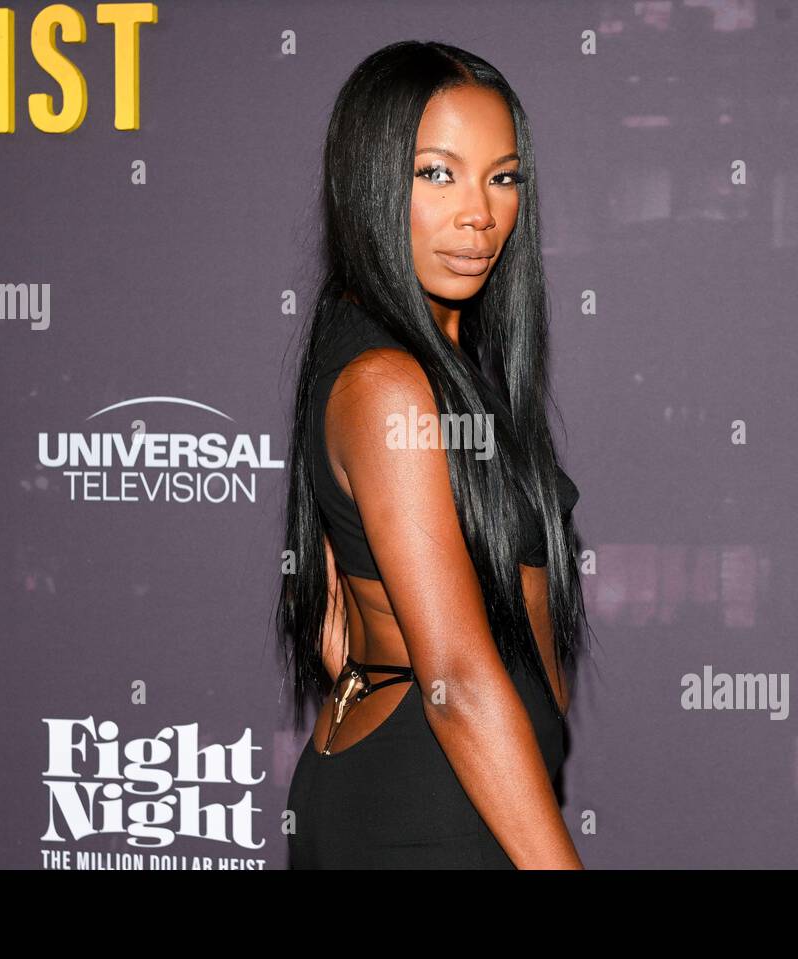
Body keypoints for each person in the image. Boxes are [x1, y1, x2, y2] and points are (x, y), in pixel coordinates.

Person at [275, 40, 592, 869]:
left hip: (457, 791)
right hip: (433, 804)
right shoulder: (387, 382)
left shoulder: (419, 365)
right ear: (371, 181)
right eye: (436, 174)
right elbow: (456, 672)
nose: (480, 213)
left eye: (503, 176)